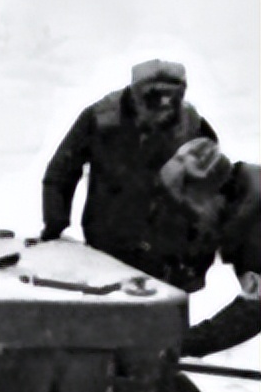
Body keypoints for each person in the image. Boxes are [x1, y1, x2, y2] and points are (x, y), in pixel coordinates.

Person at [41, 59, 218, 290]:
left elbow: (212, 200)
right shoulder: (101, 119)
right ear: (135, 93)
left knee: (159, 319)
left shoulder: (193, 128)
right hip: (107, 246)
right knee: (107, 312)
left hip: (167, 252)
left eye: (172, 97)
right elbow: (62, 171)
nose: (163, 105)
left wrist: (197, 261)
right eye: (153, 96)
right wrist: (55, 225)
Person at [158, 139, 260, 357]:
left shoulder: (254, 238)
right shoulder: (244, 203)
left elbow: (251, 315)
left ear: (212, 196)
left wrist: (180, 345)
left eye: (189, 207)